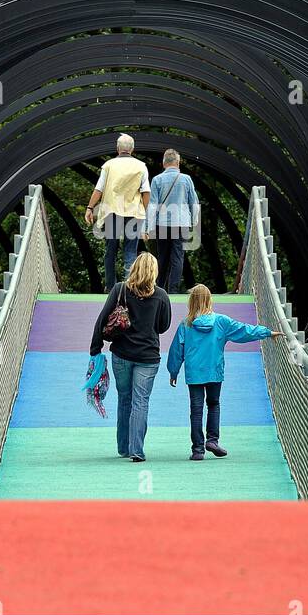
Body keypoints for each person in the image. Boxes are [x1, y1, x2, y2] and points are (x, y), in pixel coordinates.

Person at [166, 284, 282, 460]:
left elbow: (176, 351)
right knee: (213, 404)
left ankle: (197, 450)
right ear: (209, 300)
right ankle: (212, 440)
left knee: (196, 410)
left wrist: (173, 372)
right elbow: (245, 331)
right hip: (214, 372)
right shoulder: (221, 322)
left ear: (192, 302)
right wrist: (267, 332)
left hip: (194, 374)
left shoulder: (186, 324)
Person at [90, 252, 172, 462]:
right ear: (154, 271)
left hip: (122, 354)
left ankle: (123, 446)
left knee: (124, 398)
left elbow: (101, 320)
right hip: (148, 357)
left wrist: (95, 350)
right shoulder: (161, 295)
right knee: (140, 402)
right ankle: (137, 450)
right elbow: (163, 327)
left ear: (134, 268)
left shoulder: (120, 290)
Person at [85, 133, 151, 292]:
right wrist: (144, 210)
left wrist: (89, 207)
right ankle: (129, 287)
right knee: (130, 251)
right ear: (132, 149)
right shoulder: (141, 166)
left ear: (117, 148)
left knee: (111, 250)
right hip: (134, 213)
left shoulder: (108, 165)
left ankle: (110, 286)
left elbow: (99, 189)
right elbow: (146, 191)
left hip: (112, 212)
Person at [147, 148, 200, 294]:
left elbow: (152, 206)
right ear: (178, 163)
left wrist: (149, 227)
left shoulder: (157, 180)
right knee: (178, 256)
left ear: (164, 163)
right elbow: (194, 203)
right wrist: (194, 222)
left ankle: (159, 289)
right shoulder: (186, 179)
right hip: (181, 223)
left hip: (162, 224)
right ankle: (173, 291)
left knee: (162, 257)